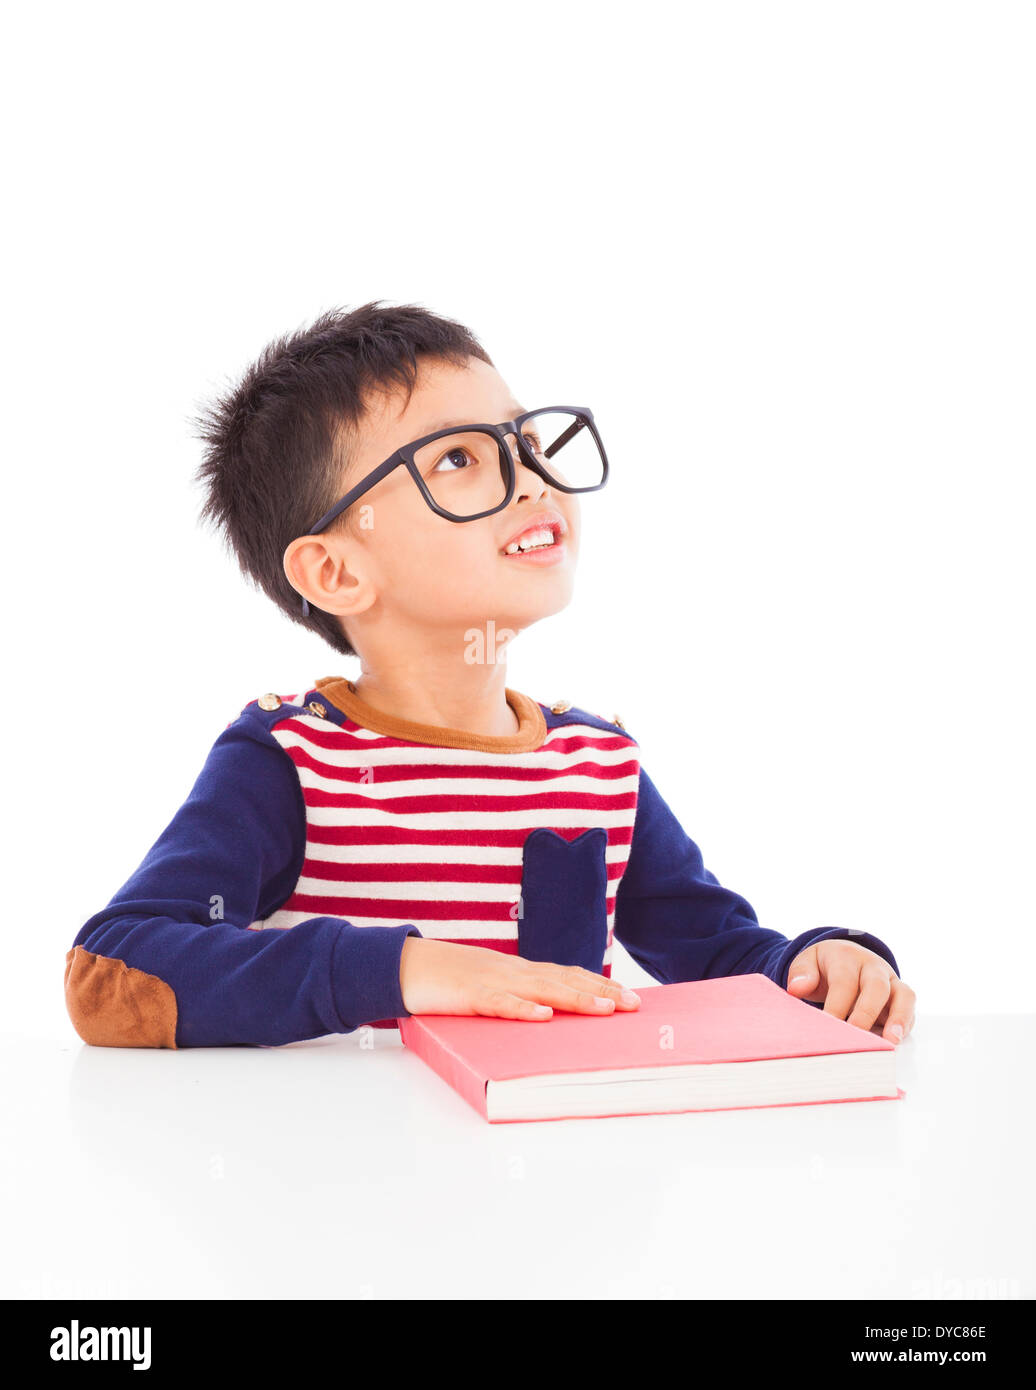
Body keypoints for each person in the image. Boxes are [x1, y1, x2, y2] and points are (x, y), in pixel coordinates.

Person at [64, 300, 916, 1049]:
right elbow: (113, 971)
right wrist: (407, 970)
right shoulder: (290, 759)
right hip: (342, 1170)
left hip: (550, 1165)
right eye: (457, 460)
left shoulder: (600, 765)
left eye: (527, 442)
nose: (533, 479)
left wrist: (817, 966)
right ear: (336, 571)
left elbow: (720, 953)